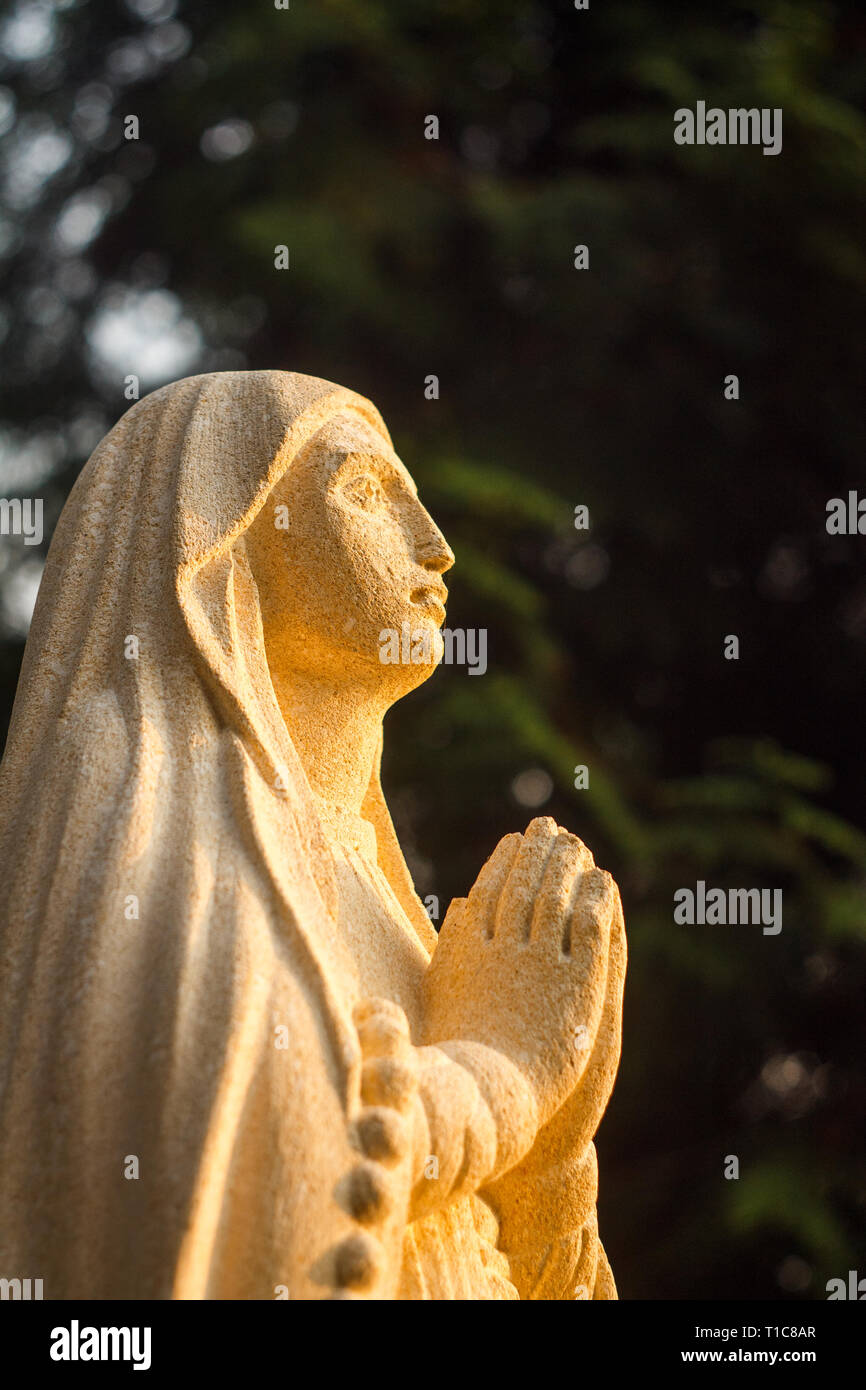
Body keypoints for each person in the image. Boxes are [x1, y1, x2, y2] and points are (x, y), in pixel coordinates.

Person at [0, 370, 625, 1299]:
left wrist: (554, 1165)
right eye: (366, 492)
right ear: (218, 533)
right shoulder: (135, 778)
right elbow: (227, 1155)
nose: (436, 547)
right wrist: (504, 1076)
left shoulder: (379, 882)